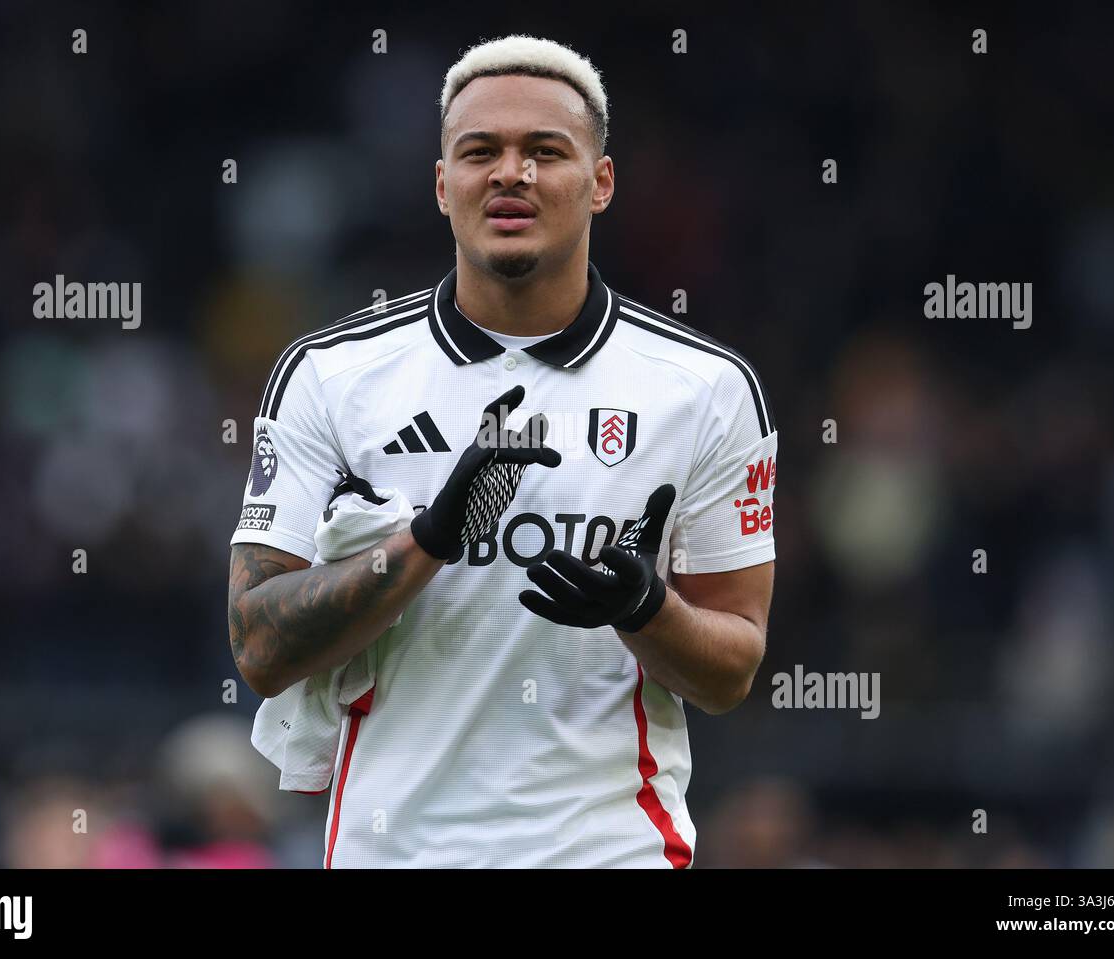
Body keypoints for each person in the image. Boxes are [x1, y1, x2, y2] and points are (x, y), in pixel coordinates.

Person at [227, 34, 778, 868]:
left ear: (601, 182)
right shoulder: (329, 376)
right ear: (442, 185)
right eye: (479, 151)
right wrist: (426, 541)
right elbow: (258, 648)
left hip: (612, 850)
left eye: (545, 152)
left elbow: (731, 670)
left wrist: (644, 609)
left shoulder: (705, 388)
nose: (510, 173)